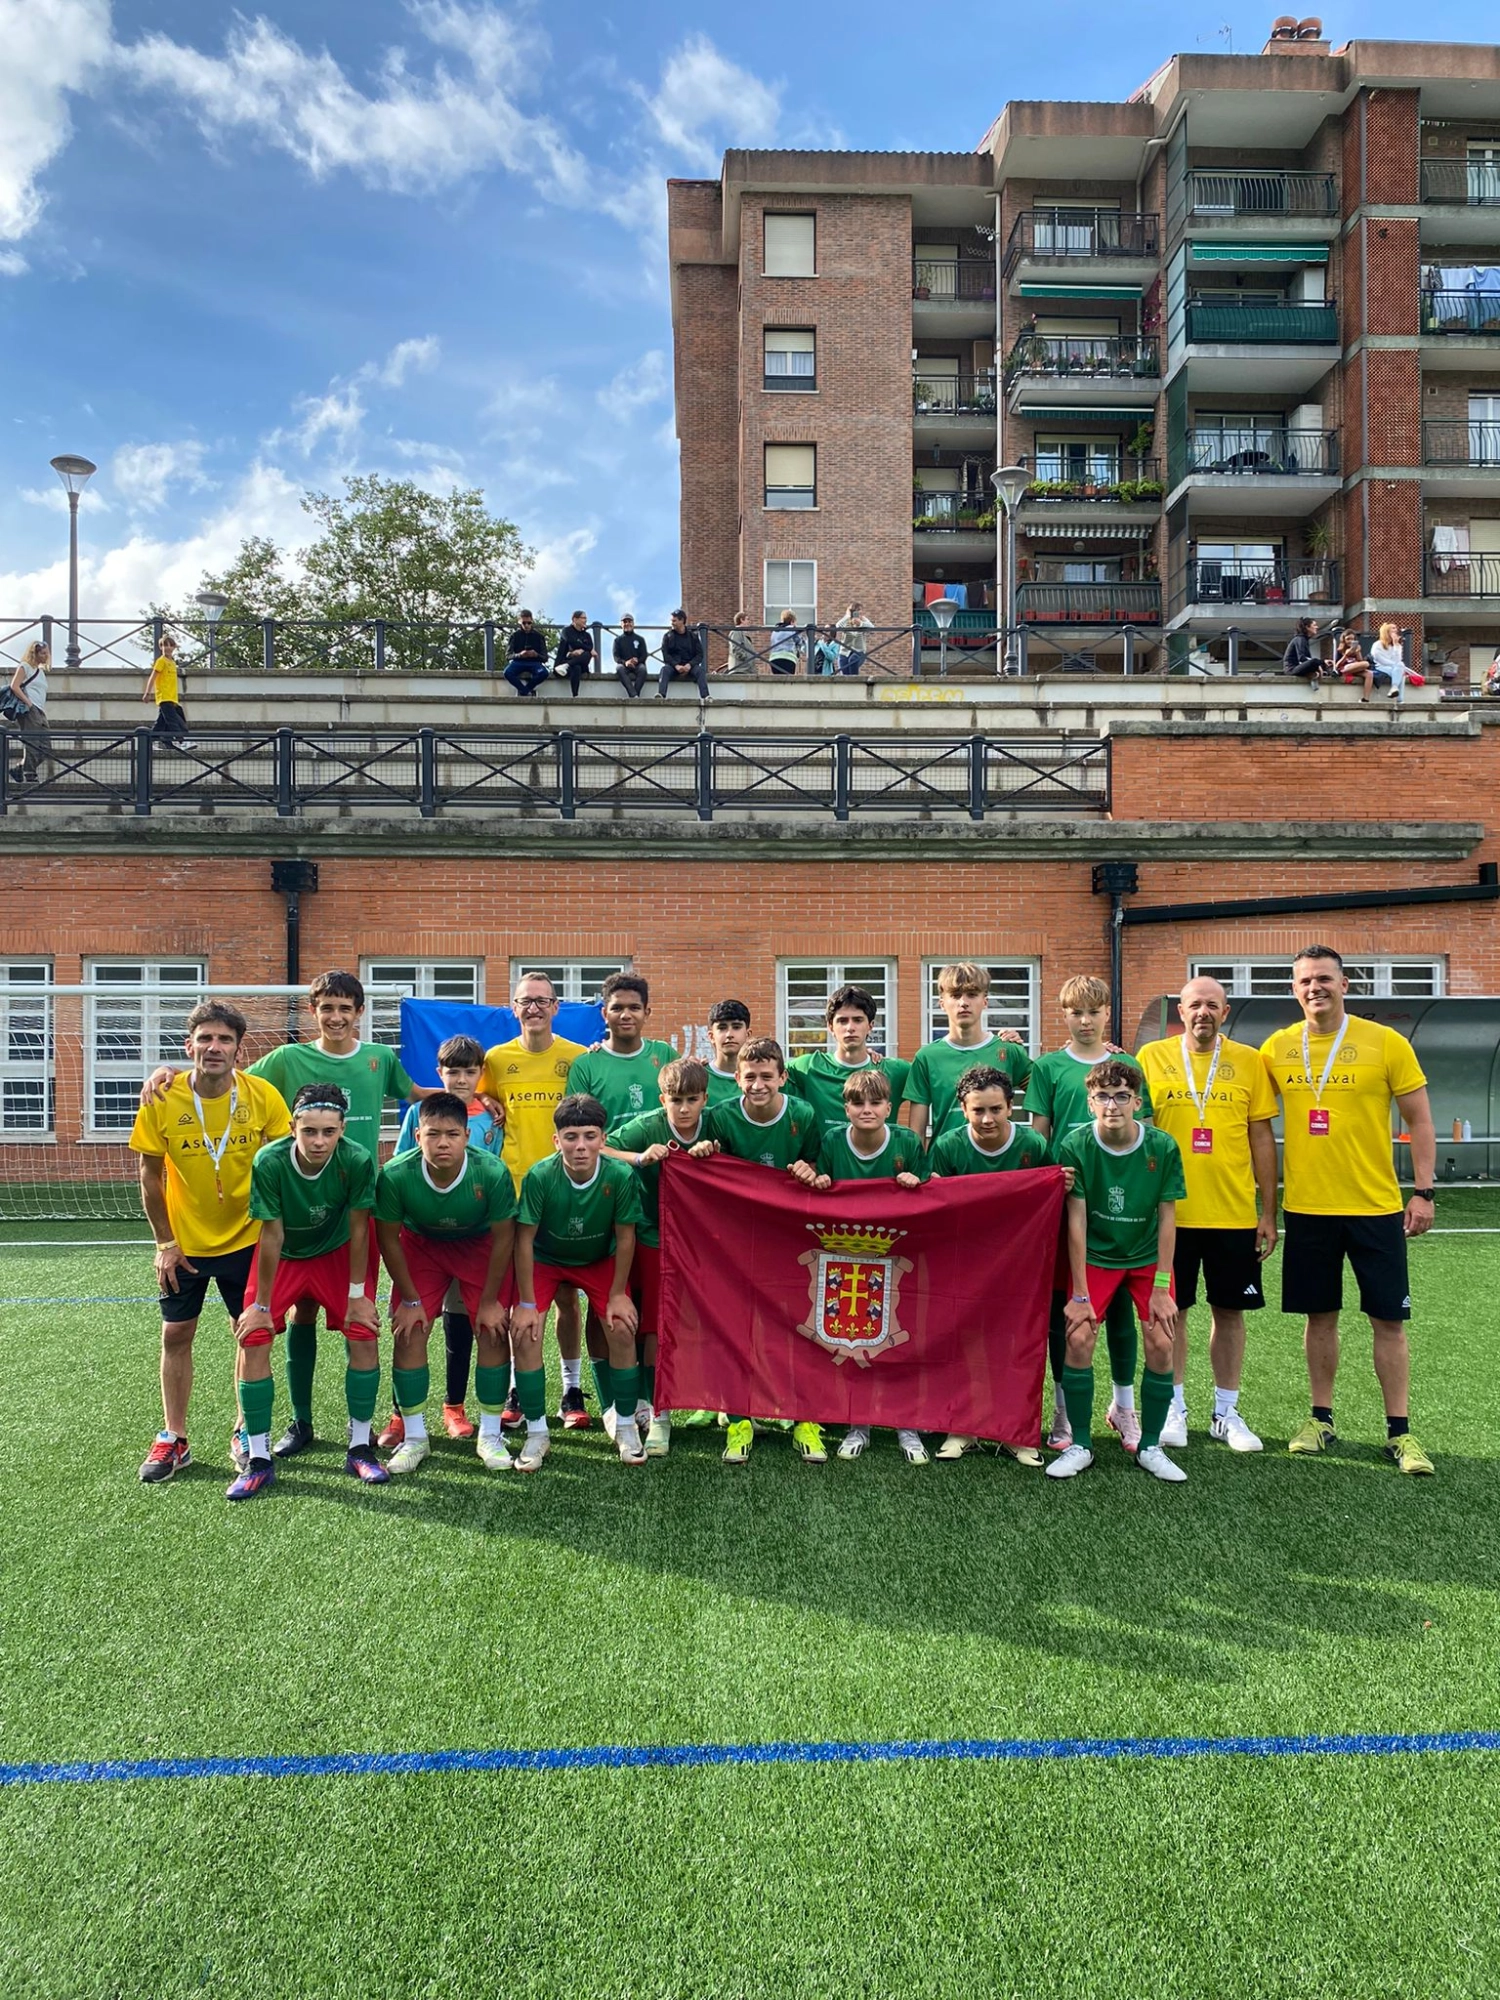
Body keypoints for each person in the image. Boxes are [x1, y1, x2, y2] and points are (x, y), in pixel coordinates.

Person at [1260, 944, 1436, 1474]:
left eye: (1324, 978)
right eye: (1304, 981)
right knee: (1320, 1318)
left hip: (1375, 1207)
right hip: (1308, 1209)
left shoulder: (1385, 1042)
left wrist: (1424, 1191)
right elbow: (1237, 1089)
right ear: (1294, 990)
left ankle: (1400, 1433)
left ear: (1344, 984)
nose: (1314, 987)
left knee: (1389, 1320)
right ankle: (1321, 1420)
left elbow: (1420, 1120)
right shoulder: (1277, 1048)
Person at [130, 1001, 292, 1490]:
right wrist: (165, 1242)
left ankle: (246, 1429)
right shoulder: (163, 1097)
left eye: (224, 1039)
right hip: (185, 1245)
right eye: (205, 1038)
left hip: (247, 1239)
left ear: (240, 1050)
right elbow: (149, 1176)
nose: (214, 1047)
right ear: (189, 1046)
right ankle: (174, 1437)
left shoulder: (262, 1096)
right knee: (176, 1334)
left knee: (250, 1335)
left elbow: (283, 1161)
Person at [1136, 978, 1279, 1453]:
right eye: (1195, 1004)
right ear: (1181, 1010)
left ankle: (1225, 1412)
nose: (1203, 1012)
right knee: (1171, 1312)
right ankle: (1173, 1407)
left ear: (1225, 1011)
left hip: (1233, 1214)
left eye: (1212, 1005)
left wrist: (1268, 1211)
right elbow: (1138, 1133)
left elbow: (1261, 1137)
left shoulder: (1250, 1061)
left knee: (1230, 1312)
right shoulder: (1152, 1057)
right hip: (1169, 1215)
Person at [1025, 973, 1153, 1453]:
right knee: (1068, 1307)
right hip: (1067, 1204)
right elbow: (1039, 1138)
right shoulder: (1049, 1067)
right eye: (1075, 1012)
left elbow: (1145, 1134)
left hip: (1118, 1205)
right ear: (1064, 1016)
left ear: (1106, 1014)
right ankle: (1063, 1410)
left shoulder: (1127, 1064)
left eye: (1093, 1012)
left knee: (1119, 1308)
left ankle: (1124, 1407)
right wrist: (1045, 1184)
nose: (1085, 1021)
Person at [239, 1084, 383, 1493]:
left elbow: (360, 1229)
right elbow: (272, 1235)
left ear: (342, 1130)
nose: (319, 1141)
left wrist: (357, 1296)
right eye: (309, 1131)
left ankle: (360, 1447)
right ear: (292, 1128)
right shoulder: (269, 1161)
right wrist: (261, 1306)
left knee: (363, 1331)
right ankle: (260, 1457)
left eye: (329, 1132)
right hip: (286, 1254)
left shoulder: (357, 1159)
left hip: (337, 1251)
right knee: (254, 1336)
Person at [1050, 1061, 1189, 1484]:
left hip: (1146, 1257)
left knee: (1162, 1340)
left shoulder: (1162, 1146)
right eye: (1103, 1097)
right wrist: (1079, 1294)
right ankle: (1081, 1444)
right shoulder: (1075, 1144)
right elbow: (1076, 1221)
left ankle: (1150, 1446)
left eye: (1122, 1096)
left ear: (1137, 1102)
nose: (1112, 1105)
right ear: (1090, 1103)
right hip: (1095, 1256)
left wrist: (1162, 1286)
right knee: (1078, 1337)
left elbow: (1168, 1218)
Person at [691, 1036, 826, 1464]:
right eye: (750, 1077)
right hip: (737, 1240)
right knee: (737, 1327)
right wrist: (702, 1153)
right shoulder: (720, 1117)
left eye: (767, 1076)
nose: (758, 1084)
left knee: (798, 1327)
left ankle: (804, 1418)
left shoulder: (803, 1114)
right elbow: (708, 1174)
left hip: (790, 1237)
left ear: (783, 1077)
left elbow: (818, 1167)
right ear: (737, 1078)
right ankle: (738, 1419)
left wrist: (810, 1171)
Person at [373, 1093, 517, 1475]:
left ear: (467, 1136)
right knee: (409, 1331)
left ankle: (490, 1435)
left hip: (478, 1245)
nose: (442, 1143)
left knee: (492, 1329)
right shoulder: (396, 1174)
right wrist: (409, 1300)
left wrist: (490, 1301)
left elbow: (505, 1236)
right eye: (433, 1134)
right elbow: (388, 1238)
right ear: (417, 1135)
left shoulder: (491, 1172)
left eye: (452, 1134)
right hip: (422, 1246)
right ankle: (415, 1438)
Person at [928, 1063, 1063, 1467]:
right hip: (965, 1262)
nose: (987, 1119)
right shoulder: (949, 1146)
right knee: (964, 1343)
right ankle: (961, 1429)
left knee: (1018, 1344)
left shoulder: (1032, 1145)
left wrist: (1061, 1184)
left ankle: (1015, 1433)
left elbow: (1050, 1195)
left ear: (1010, 1107)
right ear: (963, 1109)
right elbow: (936, 1205)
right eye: (978, 1110)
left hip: (1020, 1263)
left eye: (996, 1109)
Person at [478, 971, 589, 1431]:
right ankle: (515, 1390)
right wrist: (484, 1100)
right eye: (525, 1001)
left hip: (565, 1191)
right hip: (515, 1191)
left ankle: (571, 1388)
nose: (534, 1008)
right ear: (514, 1008)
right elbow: (476, 1094)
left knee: (566, 1296)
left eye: (542, 1000)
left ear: (556, 1007)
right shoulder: (496, 1058)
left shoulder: (578, 1057)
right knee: (516, 1298)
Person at [512, 1095, 644, 1467]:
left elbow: (626, 1236)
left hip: (599, 1260)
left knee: (622, 1326)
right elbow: (524, 1240)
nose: (581, 1146)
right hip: (547, 1260)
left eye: (589, 1136)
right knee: (525, 1331)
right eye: (571, 1137)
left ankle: (625, 1425)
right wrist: (526, 1303)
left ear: (603, 1139)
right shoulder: (540, 1176)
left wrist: (618, 1293)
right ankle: (537, 1432)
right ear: (557, 1141)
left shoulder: (620, 1175)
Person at [809, 1069, 929, 1465]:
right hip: (847, 1259)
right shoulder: (832, 1141)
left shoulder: (907, 1142)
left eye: (875, 1103)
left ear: (889, 1108)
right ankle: (857, 1422)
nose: (867, 1110)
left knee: (899, 1339)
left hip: (898, 1258)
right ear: (845, 1108)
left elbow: (932, 1194)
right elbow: (818, 1189)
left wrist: (916, 1182)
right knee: (855, 1341)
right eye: (858, 1103)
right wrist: (820, 1181)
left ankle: (905, 1423)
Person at [391, 1035, 502, 1440]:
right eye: (453, 1071)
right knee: (408, 1326)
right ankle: (400, 1415)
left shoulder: (492, 1117)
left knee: (462, 1324)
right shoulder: (418, 1114)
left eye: (470, 1072)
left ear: (481, 1074)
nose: (461, 1079)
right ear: (439, 1072)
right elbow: (403, 1166)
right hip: (424, 1237)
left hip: (472, 1237)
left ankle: (454, 1406)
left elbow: (492, 1169)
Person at [604, 1056, 712, 1458]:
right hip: (650, 1235)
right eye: (675, 1100)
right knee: (652, 1325)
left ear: (704, 1098)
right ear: (662, 1098)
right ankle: (657, 1411)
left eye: (691, 1100)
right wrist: (638, 1157)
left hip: (700, 1239)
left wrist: (714, 1151)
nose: (683, 1109)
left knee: (699, 1319)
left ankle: (714, 1401)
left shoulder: (715, 1124)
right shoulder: (647, 1126)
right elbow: (602, 1147)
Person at [903, 962, 1031, 1149]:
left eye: (972, 994)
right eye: (955, 995)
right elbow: (917, 1132)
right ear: (942, 1003)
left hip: (1000, 1161)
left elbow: (1046, 1099)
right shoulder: (927, 1057)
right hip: (945, 1162)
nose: (963, 1002)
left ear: (985, 1001)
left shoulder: (1009, 1051)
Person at [787, 984, 910, 1139]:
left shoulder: (896, 1071)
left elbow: (935, 1082)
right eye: (842, 1021)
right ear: (830, 1027)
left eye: (858, 1020)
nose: (850, 1027)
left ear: (870, 1026)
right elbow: (762, 1070)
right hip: (824, 1155)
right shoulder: (807, 1068)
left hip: (881, 1154)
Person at [566, 973, 677, 1131]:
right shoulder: (585, 1066)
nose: (626, 1015)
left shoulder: (664, 1054)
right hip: (608, 1148)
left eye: (634, 1008)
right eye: (617, 1008)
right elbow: (577, 1128)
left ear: (646, 1013)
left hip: (662, 1148)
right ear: (605, 1014)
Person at [6, 639, 51, 786]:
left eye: (46, 653)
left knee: (45, 746)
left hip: (39, 710)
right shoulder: (25, 667)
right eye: (42, 653)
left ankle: (19, 768)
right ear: (34, 653)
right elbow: (14, 686)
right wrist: (29, 703)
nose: (46, 656)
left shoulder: (40, 672)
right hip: (30, 708)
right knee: (32, 741)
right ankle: (29, 773)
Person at [141, 633, 195, 750]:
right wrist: (147, 693)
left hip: (172, 697)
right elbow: (153, 677)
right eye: (165, 645)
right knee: (173, 721)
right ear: (161, 647)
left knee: (162, 722)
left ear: (174, 647)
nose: (168, 648)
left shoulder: (172, 663)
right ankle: (182, 742)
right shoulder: (161, 661)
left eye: (170, 645)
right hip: (164, 697)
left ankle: (153, 741)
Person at [704, 998, 752, 1107]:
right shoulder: (698, 1077)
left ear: (748, 1034)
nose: (729, 1034)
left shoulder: (763, 1078)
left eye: (736, 1027)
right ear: (711, 1036)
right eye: (722, 1028)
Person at [658, 609, 709, 701]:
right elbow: (665, 654)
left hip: (690, 666)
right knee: (664, 670)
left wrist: (690, 665)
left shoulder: (693, 637)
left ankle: (706, 696)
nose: (672, 623)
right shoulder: (667, 636)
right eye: (671, 621)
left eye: (674, 621)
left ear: (682, 620)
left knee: (700, 671)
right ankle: (661, 695)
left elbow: (700, 655)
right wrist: (676, 665)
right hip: (674, 666)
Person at [504, 610, 550, 698]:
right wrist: (520, 655)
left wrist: (536, 655)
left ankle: (525, 690)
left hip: (535, 662)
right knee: (507, 673)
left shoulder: (539, 636)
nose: (526, 625)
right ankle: (525, 691)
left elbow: (545, 657)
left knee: (544, 673)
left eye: (529, 623)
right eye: (524, 623)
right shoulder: (515, 635)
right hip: (518, 662)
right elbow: (508, 655)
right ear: (519, 622)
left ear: (532, 621)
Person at [1361, 622, 1408, 704]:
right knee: (1400, 670)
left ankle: (1394, 687)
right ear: (1386, 632)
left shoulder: (1397, 646)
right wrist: (1395, 665)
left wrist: (1396, 644)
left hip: (1394, 667)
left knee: (1400, 666)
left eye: (1396, 628)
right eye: (1393, 628)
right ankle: (1399, 699)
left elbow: (1398, 660)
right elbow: (1380, 660)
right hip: (1380, 667)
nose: (1396, 630)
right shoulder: (1377, 644)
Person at [555, 611, 595, 698]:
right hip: (564, 661)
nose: (585, 620)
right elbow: (572, 642)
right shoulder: (566, 631)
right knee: (576, 667)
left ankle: (567, 665)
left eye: (586, 618)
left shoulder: (587, 635)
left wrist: (583, 650)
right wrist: (573, 652)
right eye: (583, 618)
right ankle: (575, 695)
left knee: (587, 655)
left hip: (580, 662)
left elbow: (590, 647)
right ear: (575, 619)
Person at [613, 616, 649, 699]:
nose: (627, 624)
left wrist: (637, 661)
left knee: (642, 669)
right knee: (619, 668)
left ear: (633, 624)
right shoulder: (617, 640)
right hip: (624, 665)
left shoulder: (640, 639)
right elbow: (616, 656)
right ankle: (633, 694)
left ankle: (635, 694)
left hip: (638, 665)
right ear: (621, 624)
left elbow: (644, 655)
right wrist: (625, 663)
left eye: (629, 621)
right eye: (625, 622)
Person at [836, 603, 873, 677]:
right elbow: (838, 626)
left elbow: (872, 629)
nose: (857, 612)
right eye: (855, 610)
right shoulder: (846, 621)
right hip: (844, 652)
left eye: (859, 610)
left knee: (853, 660)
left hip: (859, 651)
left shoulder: (863, 620)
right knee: (844, 675)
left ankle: (856, 681)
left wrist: (861, 624)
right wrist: (848, 616)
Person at [1282, 616, 1323, 681]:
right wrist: (1320, 663)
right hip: (1292, 669)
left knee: (1318, 663)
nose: (1317, 627)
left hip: (1296, 667)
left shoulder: (1303, 639)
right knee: (1315, 661)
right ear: (1307, 627)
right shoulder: (1300, 639)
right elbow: (1302, 658)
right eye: (1314, 625)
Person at [766, 611, 805, 677]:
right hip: (788, 658)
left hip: (774, 659)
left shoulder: (774, 631)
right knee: (788, 680)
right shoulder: (792, 629)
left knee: (778, 679)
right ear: (792, 621)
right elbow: (799, 642)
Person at [722, 611, 756, 679]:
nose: (749, 622)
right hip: (740, 670)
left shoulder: (741, 633)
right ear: (741, 620)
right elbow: (736, 648)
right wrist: (745, 658)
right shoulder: (736, 632)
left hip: (745, 670)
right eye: (747, 619)